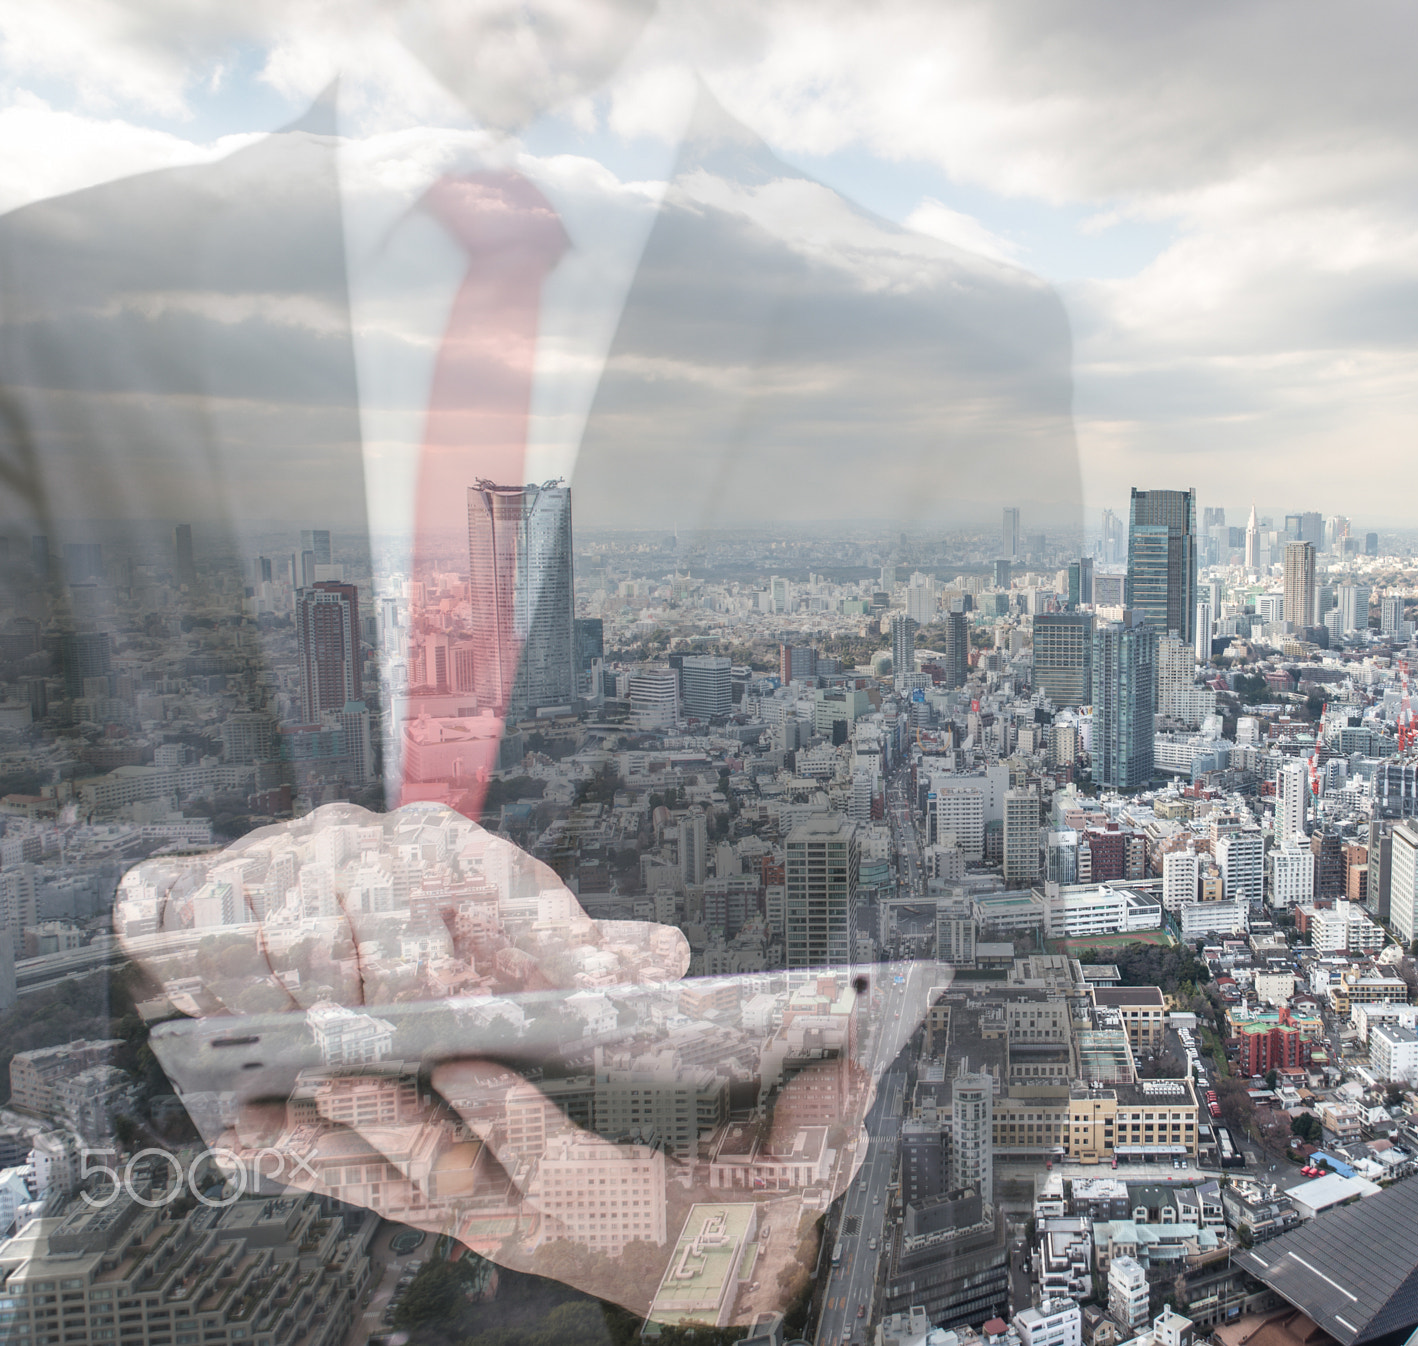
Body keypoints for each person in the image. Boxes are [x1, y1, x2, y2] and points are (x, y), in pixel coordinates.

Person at [0, 0, 1075, 1321]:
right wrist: (155, 937)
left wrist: (710, 1273)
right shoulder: (52, 285)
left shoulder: (947, 316)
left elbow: (829, 1233)